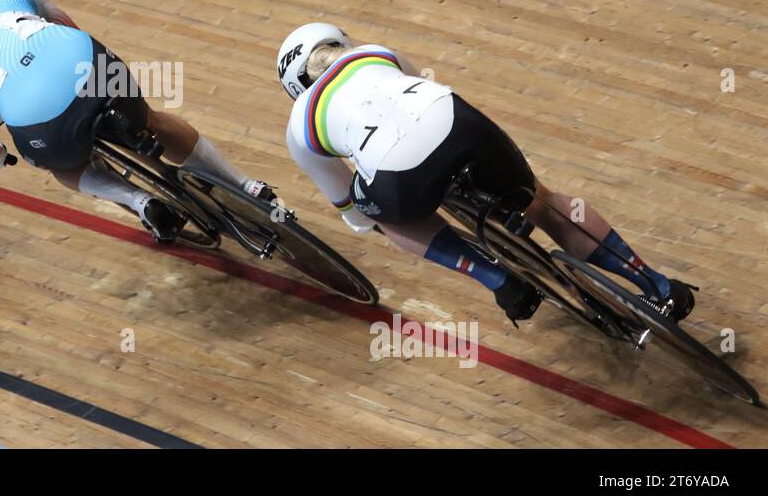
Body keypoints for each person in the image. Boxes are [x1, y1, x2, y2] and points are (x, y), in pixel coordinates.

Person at [275, 22, 694, 322]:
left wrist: (365, 218)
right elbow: (420, 94)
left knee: (383, 217)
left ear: (295, 87)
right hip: (461, 126)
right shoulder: (376, 52)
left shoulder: (300, 123)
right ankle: (658, 285)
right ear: (338, 41)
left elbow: (349, 208)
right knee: (540, 202)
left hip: (400, 174)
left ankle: (497, 279)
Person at [0, 0, 270, 241]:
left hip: (43, 125)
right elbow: (69, 28)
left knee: (65, 167)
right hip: (89, 66)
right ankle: (246, 184)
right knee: (152, 120)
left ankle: (138, 201)